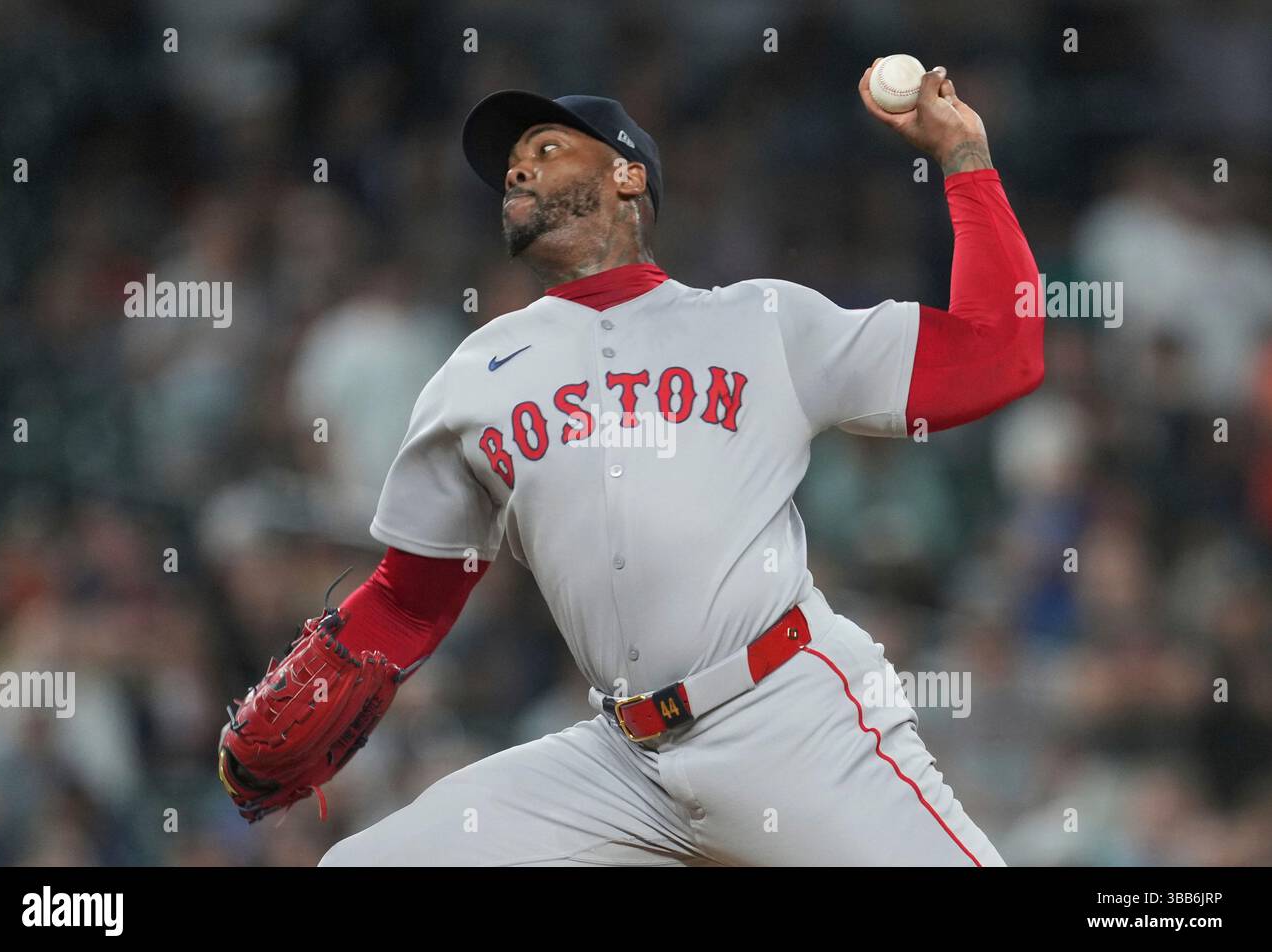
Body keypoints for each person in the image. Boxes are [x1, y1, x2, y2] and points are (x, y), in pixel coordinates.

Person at [223, 60, 1043, 866]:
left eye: (546, 148)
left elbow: (999, 351)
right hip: (622, 764)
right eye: (511, 163)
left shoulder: (763, 322)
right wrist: (320, 681)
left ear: (627, 176)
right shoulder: (475, 375)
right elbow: (411, 600)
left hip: (789, 718)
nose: (516, 167)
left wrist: (964, 158)